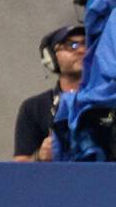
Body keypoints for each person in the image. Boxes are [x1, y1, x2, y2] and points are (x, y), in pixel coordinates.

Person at [15, 25, 85, 162]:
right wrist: (40, 156)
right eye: (72, 45)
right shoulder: (33, 108)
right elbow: (20, 166)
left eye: (86, 44)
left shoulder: (110, 101)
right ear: (51, 57)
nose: (82, 50)